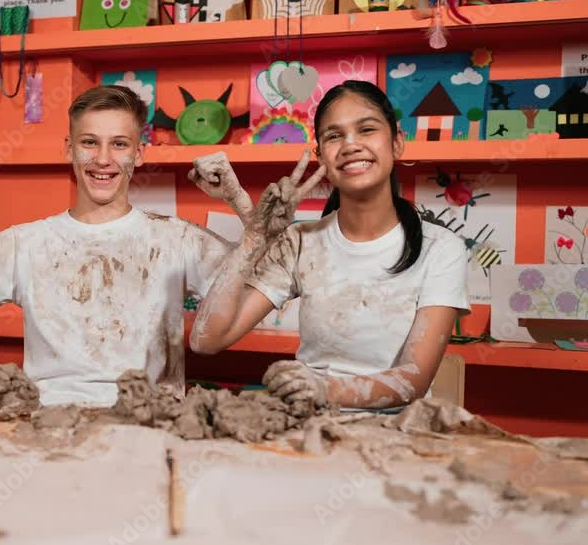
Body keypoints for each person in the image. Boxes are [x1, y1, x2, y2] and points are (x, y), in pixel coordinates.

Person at [0, 85, 269, 407]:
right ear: (69, 149)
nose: (103, 159)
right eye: (89, 142)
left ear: (139, 154)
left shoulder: (177, 238)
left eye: (119, 144)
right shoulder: (25, 242)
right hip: (49, 425)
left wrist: (239, 202)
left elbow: (268, 280)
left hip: (151, 423)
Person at [190, 80, 470, 410]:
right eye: (334, 136)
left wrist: (323, 389)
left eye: (366, 130)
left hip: (396, 432)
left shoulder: (441, 247)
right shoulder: (300, 241)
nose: (351, 145)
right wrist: (254, 238)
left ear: (396, 143)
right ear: (320, 155)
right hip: (310, 427)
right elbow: (206, 340)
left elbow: (412, 378)